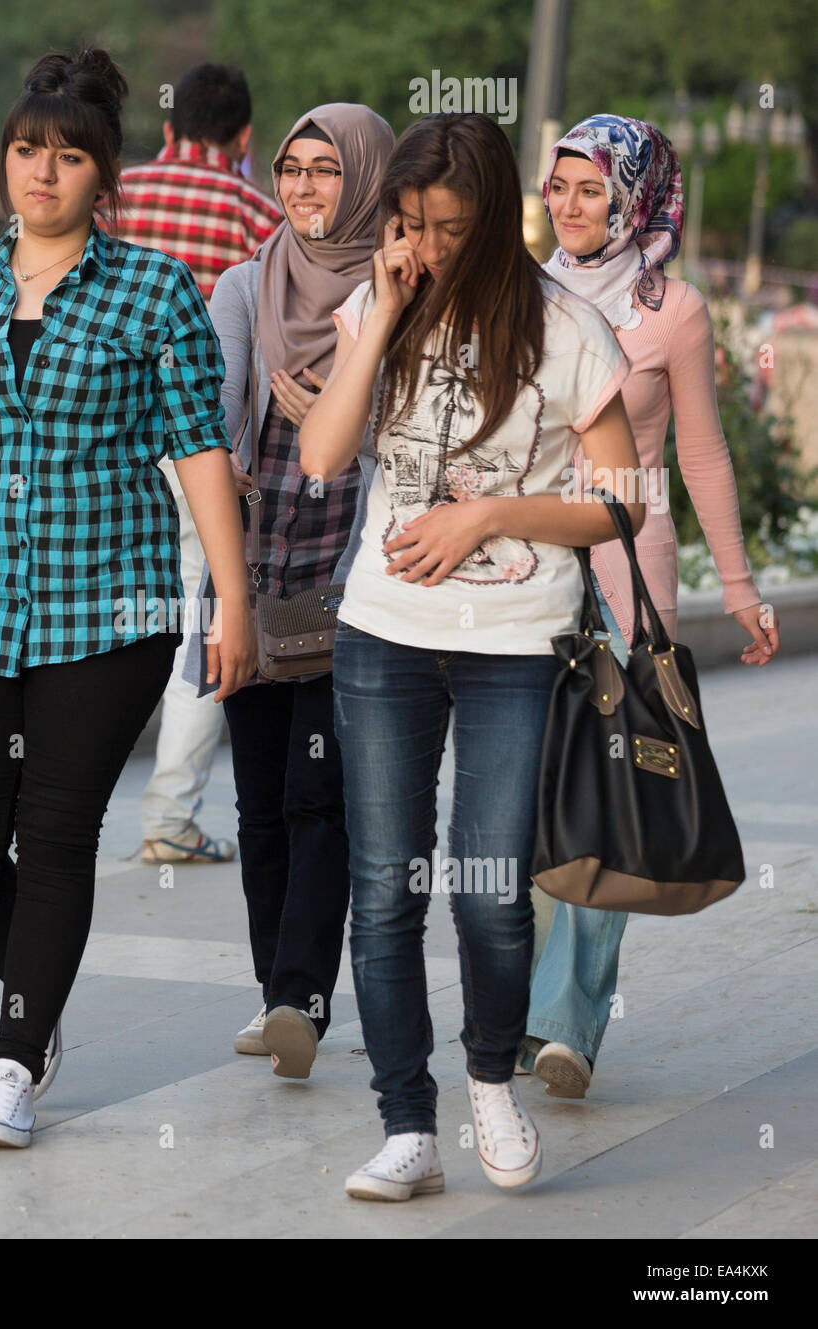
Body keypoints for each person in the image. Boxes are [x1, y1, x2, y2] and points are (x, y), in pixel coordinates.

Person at [0, 47, 256, 1149]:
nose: (42, 172)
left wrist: (229, 603)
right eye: (27, 150)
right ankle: (36, 994)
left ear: (104, 174)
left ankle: (12, 1060)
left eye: (68, 155)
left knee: (54, 836)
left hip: (112, 610)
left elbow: (197, 452)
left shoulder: (152, 289)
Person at [299, 112, 646, 1200]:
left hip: (512, 640)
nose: (427, 246)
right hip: (381, 639)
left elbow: (623, 501)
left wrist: (489, 512)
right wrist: (387, 310)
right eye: (408, 225)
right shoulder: (379, 300)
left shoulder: (564, 328)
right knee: (382, 886)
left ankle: (489, 1082)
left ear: (495, 220)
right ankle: (407, 1123)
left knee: (491, 890)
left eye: (448, 228)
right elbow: (320, 454)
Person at [517, 114, 780, 1099]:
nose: (570, 205)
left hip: (630, 567)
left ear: (634, 196)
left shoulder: (671, 310)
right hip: (526, 564)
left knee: (617, 776)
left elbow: (700, 455)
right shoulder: (519, 291)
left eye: (592, 188)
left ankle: (566, 1023)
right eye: (559, 186)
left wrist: (742, 587)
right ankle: (515, 1006)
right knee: (528, 791)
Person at [182, 103, 394, 1077]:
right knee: (258, 802)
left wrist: (346, 409)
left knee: (321, 793)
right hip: (255, 581)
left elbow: (411, 439)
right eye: (292, 169)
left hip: (351, 585)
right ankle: (281, 996)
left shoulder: (399, 291)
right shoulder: (240, 285)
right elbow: (215, 413)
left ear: (367, 179)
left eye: (327, 171)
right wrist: (227, 452)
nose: (306, 188)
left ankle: (302, 990)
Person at [111, 63, 285, 866]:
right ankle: (169, 817)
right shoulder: (261, 216)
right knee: (201, 616)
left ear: (171, 125)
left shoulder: (112, 192)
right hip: (201, 449)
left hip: (103, 440)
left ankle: (35, 803)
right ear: (244, 140)